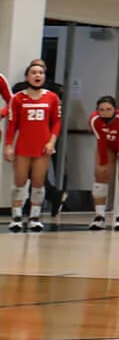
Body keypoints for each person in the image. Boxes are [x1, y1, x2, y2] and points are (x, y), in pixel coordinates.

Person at [5, 61, 59, 232]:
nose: (37, 76)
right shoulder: (18, 98)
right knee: (20, 181)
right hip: (23, 146)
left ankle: (35, 216)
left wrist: (51, 142)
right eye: (34, 72)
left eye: (40, 73)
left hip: (42, 147)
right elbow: (12, 125)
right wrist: (8, 145)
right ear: (27, 76)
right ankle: (16, 216)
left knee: (38, 182)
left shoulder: (51, 97)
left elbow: (56, 122)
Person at [88, 95, 119, 230]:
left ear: (115, 109)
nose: (105, 112)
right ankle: (99, 216)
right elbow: (100, 141)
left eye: (109, 109)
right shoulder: (94, 120)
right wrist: (102, 162)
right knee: (100, 174)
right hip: (107, 145)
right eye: (101, 109)